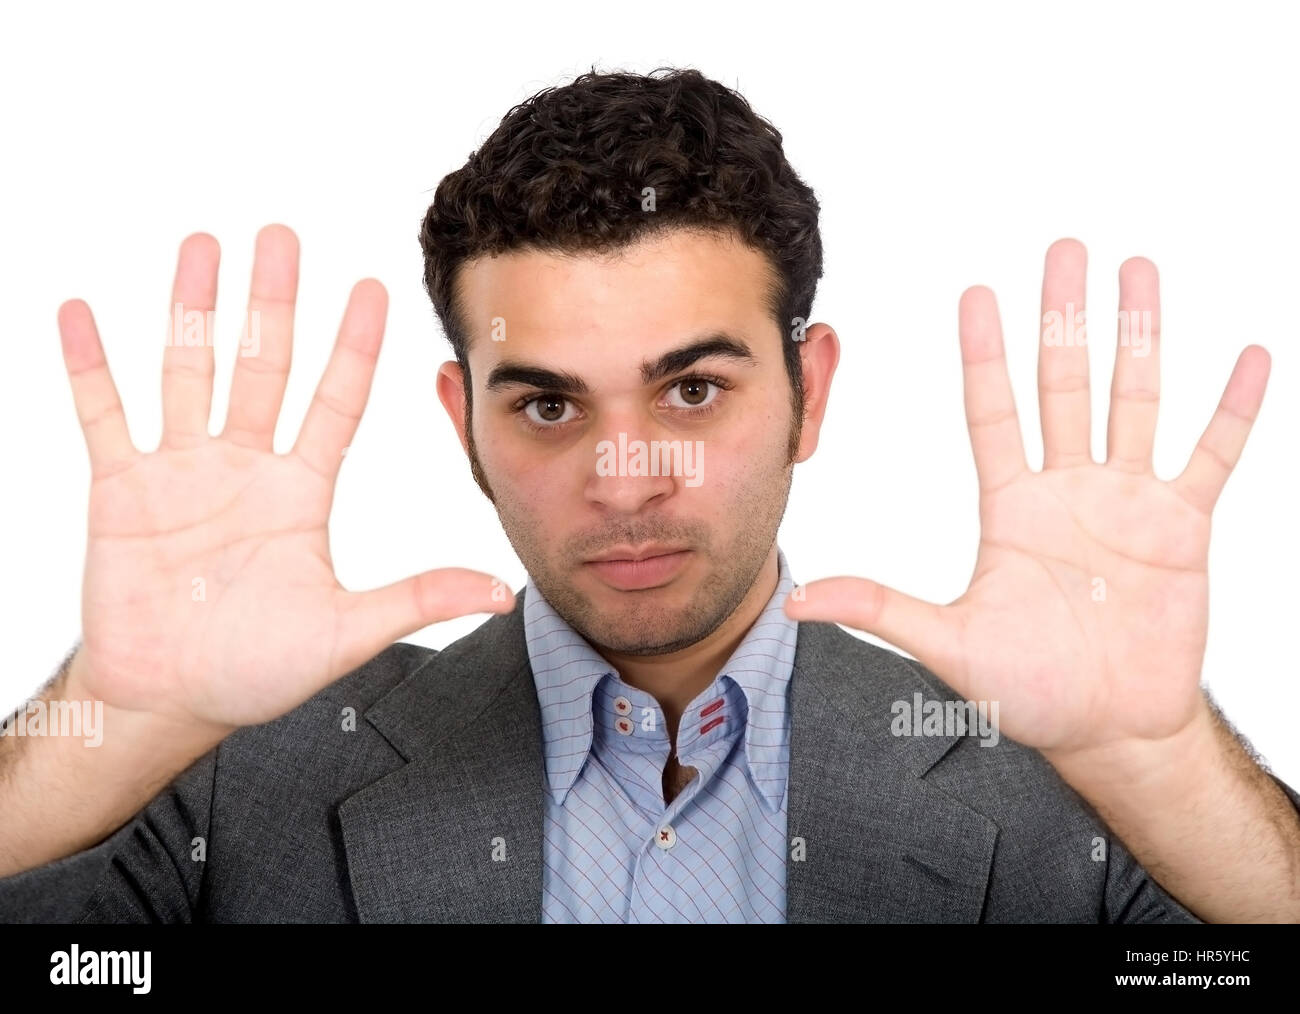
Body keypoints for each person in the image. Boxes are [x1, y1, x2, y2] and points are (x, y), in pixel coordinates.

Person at [1, 67, 1297, 924]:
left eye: (690, 391)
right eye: (551, 404)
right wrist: (109, 722)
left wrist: (1162, 760)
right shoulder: (234, 766)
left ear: (810, 392)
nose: (625, 476)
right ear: (464, 425)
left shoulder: (1058, 766)